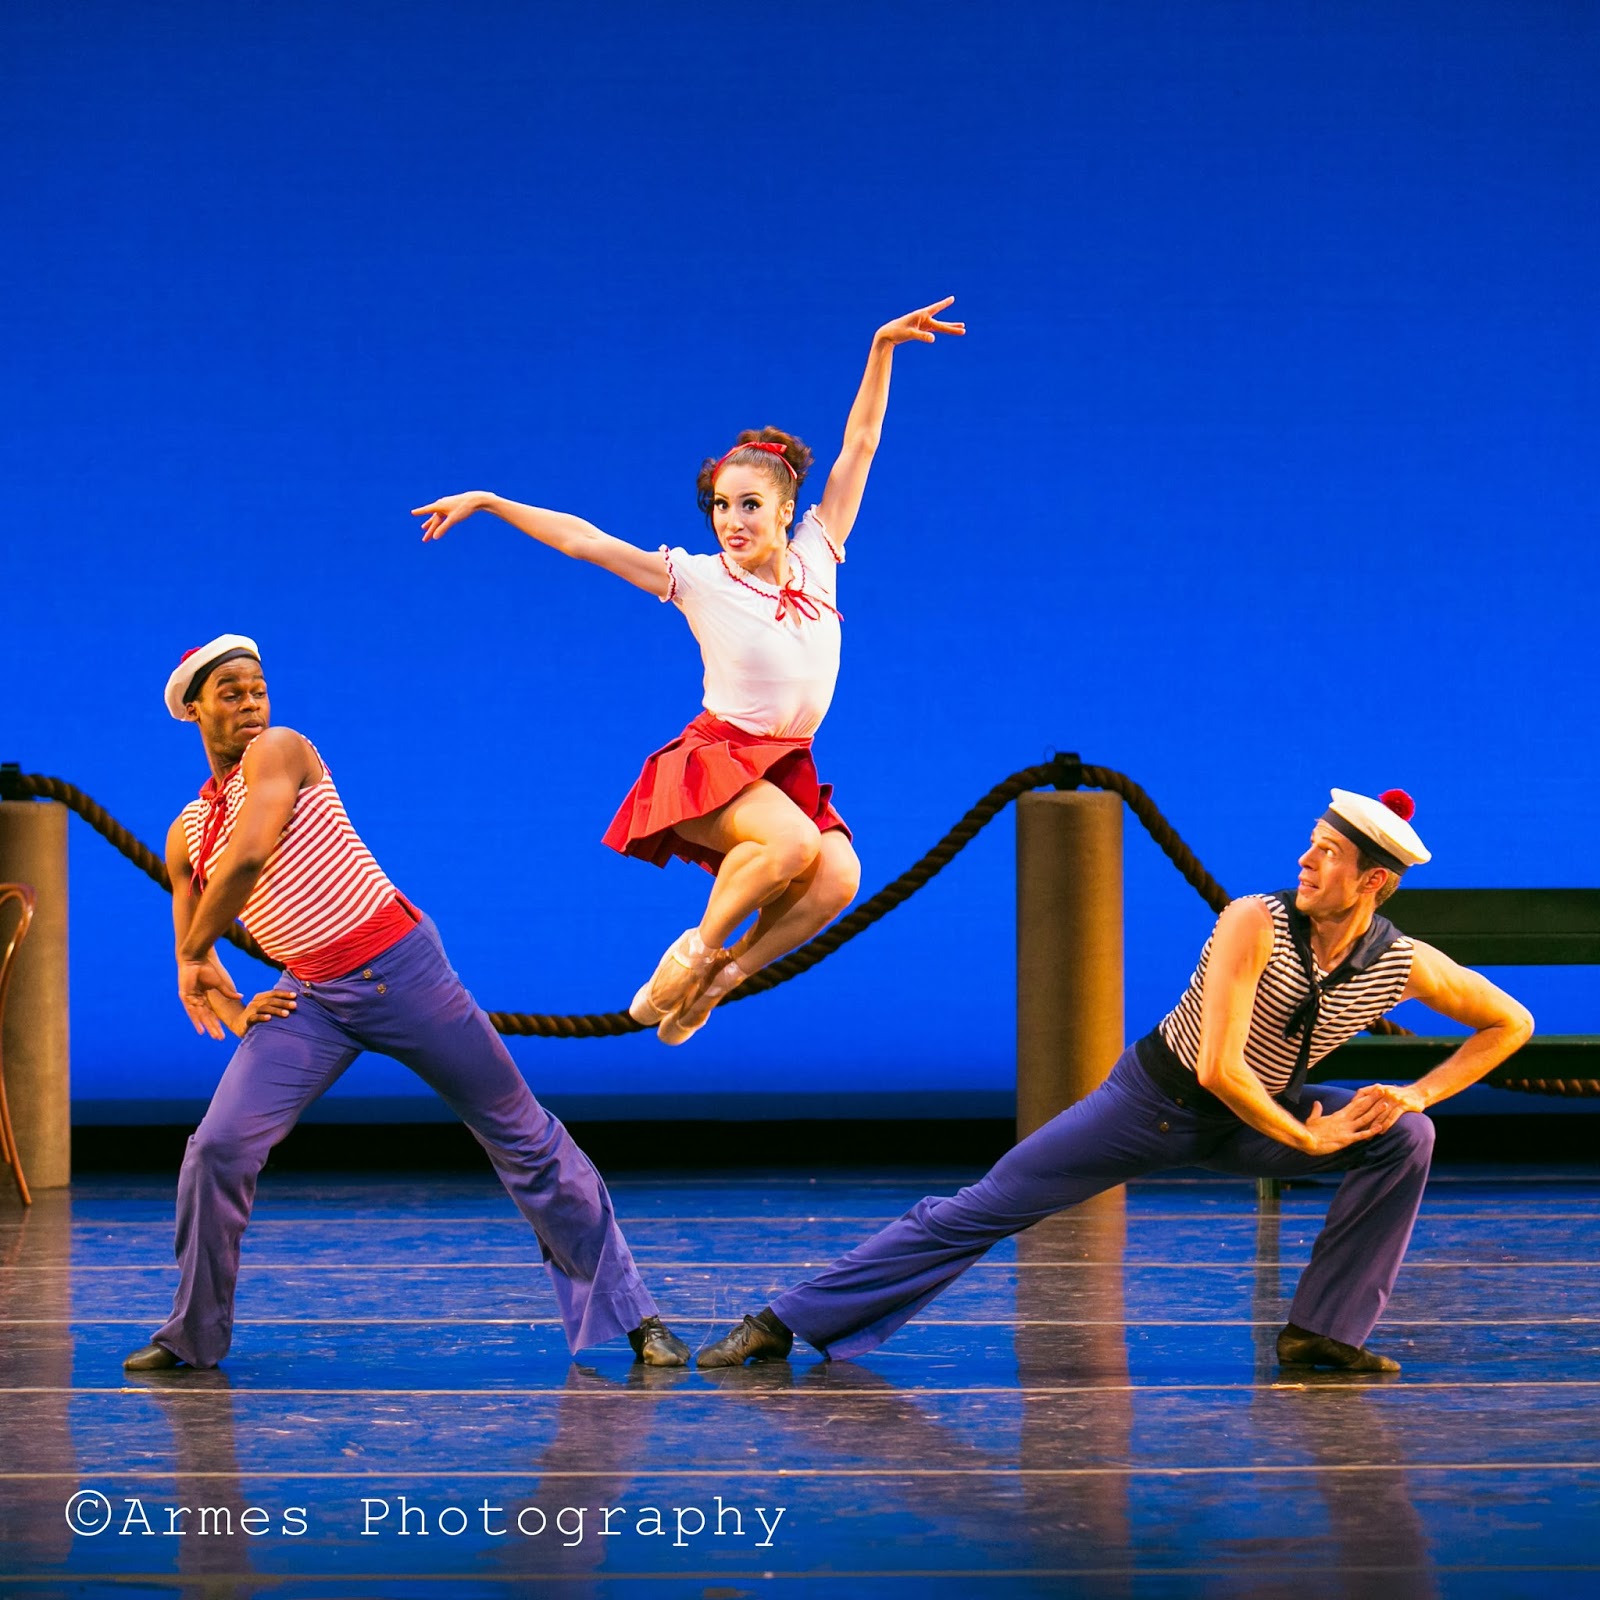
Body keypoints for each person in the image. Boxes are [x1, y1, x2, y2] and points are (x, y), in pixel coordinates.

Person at [696, 788, 1536, 1374]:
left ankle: (1321, 1335)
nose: (1306, 860)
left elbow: (1512, 1023)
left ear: (1375, 881)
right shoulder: (1255, 920)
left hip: (1254, 1121)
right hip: (1153, 1104)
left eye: (1329, 853)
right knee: (979, 1208)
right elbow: (1218, 1065)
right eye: (1311, 843)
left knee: (1406, 1137)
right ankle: (779, 1323)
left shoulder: (1400, 963)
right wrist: (1308, 1135)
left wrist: (1418, 1094)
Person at [122, 635, 690, 1372]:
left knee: (520, 1135)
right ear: (193, 710)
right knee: (218, 1148)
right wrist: (224, 999)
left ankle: (637, 1317)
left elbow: (251, 860)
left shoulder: (281, 750)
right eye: (230, 693)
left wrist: (198, 951)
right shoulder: (185, 833)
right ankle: (191, 1336)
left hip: (401, 968)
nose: (251, 703)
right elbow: (194, 957)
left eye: (258, 688)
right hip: (312, 999)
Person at [413, 298, 964, 1044]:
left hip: (783, 768)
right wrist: (491, 501)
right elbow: (588, 542)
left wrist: (880, 350)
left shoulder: (819, 552)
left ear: (786, 507)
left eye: (749, 505)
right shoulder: (699, 578)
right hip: (714, 763)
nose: (730, 521)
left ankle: (719, 981)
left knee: (838, 876)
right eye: (719, 506)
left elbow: (859, 446)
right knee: (794, 847)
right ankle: (691, 954)